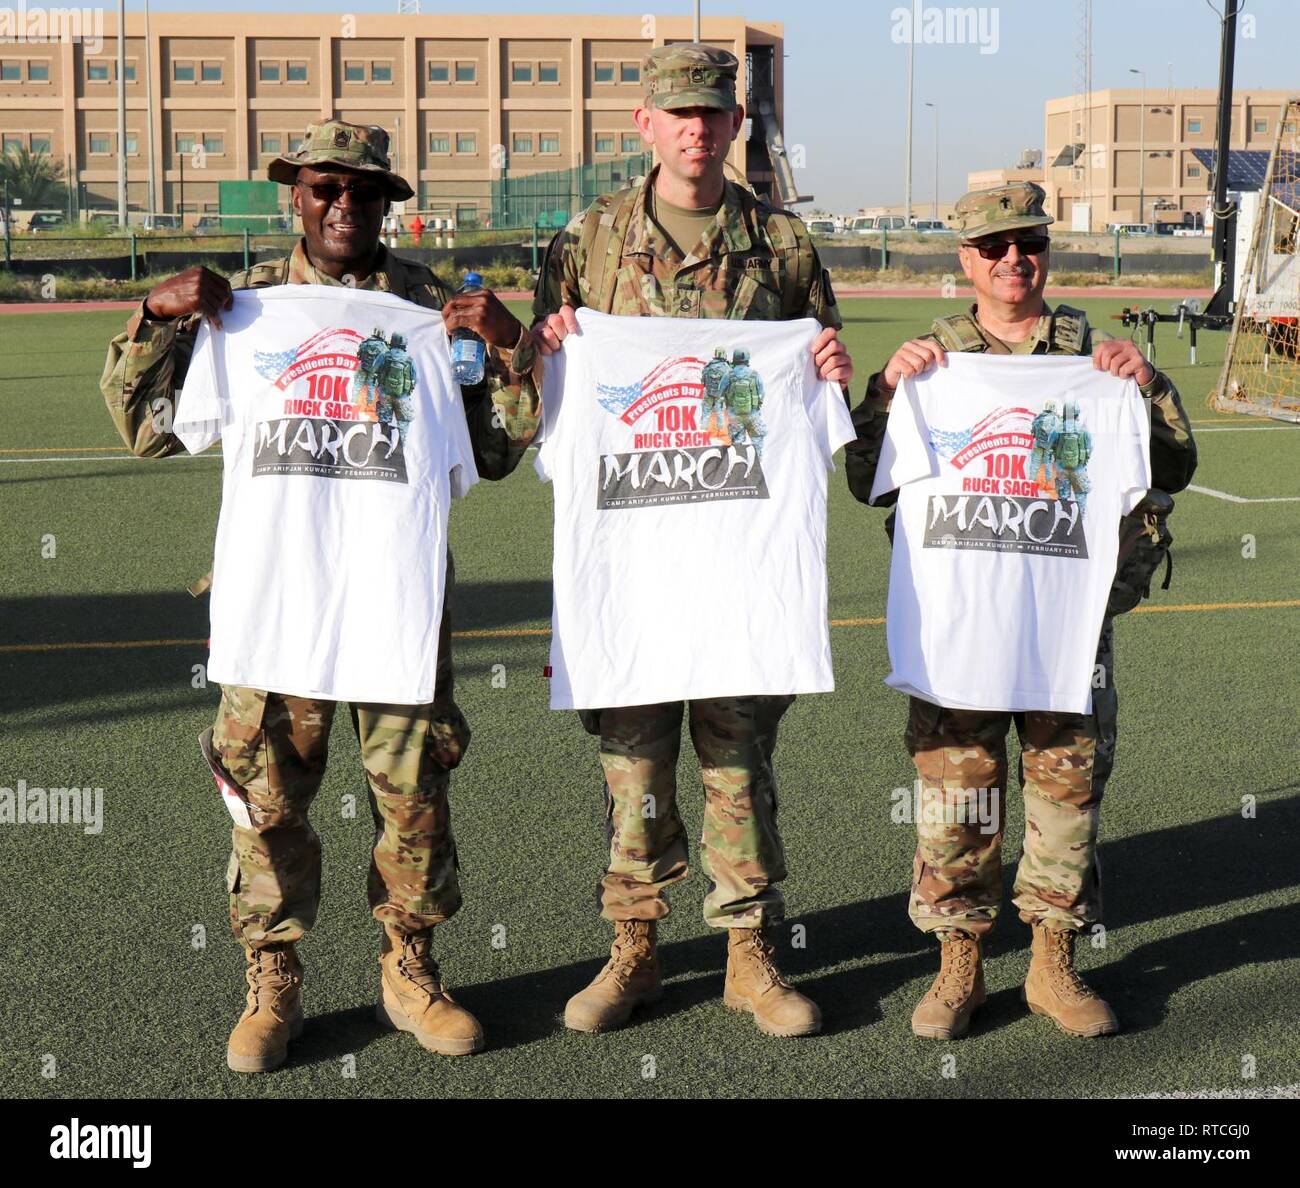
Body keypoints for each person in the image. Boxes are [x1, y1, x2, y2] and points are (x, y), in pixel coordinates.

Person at [100, 119, 542, 1072]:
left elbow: (498, 453)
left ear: (391, 203)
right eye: (324, 188)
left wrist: (506, 352)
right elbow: (148, 431)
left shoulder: (435, 309)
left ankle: (411, 971)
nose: (345, 206)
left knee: (414, 798)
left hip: (397, 601)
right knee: (268, 802)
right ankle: (273, 981)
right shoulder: (242, 306)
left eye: (365, 191)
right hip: (278, 603)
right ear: (293, 194)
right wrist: (153, 315)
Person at [532, 42, 853, 1039]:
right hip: (628, 568)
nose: (696, 128)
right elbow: (531, 408)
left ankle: (750, 954)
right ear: (645, 123)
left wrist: (831, 365)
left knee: (737, 760)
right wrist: (537, 356)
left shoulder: (783, 245)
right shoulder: (586, 243)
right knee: (631, 762)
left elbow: (823, 379)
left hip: (735, 568)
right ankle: (633, 947)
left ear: (734, 126)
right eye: (678, 112)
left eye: (713, 113)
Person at [843, 181, 1197, 1040]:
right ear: (965, 258)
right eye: (995, 246)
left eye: (1028, 243)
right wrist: (889, 394)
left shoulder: (1093, 355)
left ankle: (1052, 963)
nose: (1014, 260)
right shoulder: (929, 361)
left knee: (1067, 789)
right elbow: (864, 480)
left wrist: (1145, 383)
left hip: (1064, 625)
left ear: (1047, 250)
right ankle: (958, 959)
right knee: (958, 791)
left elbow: (1174, 468)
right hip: (959, 622)